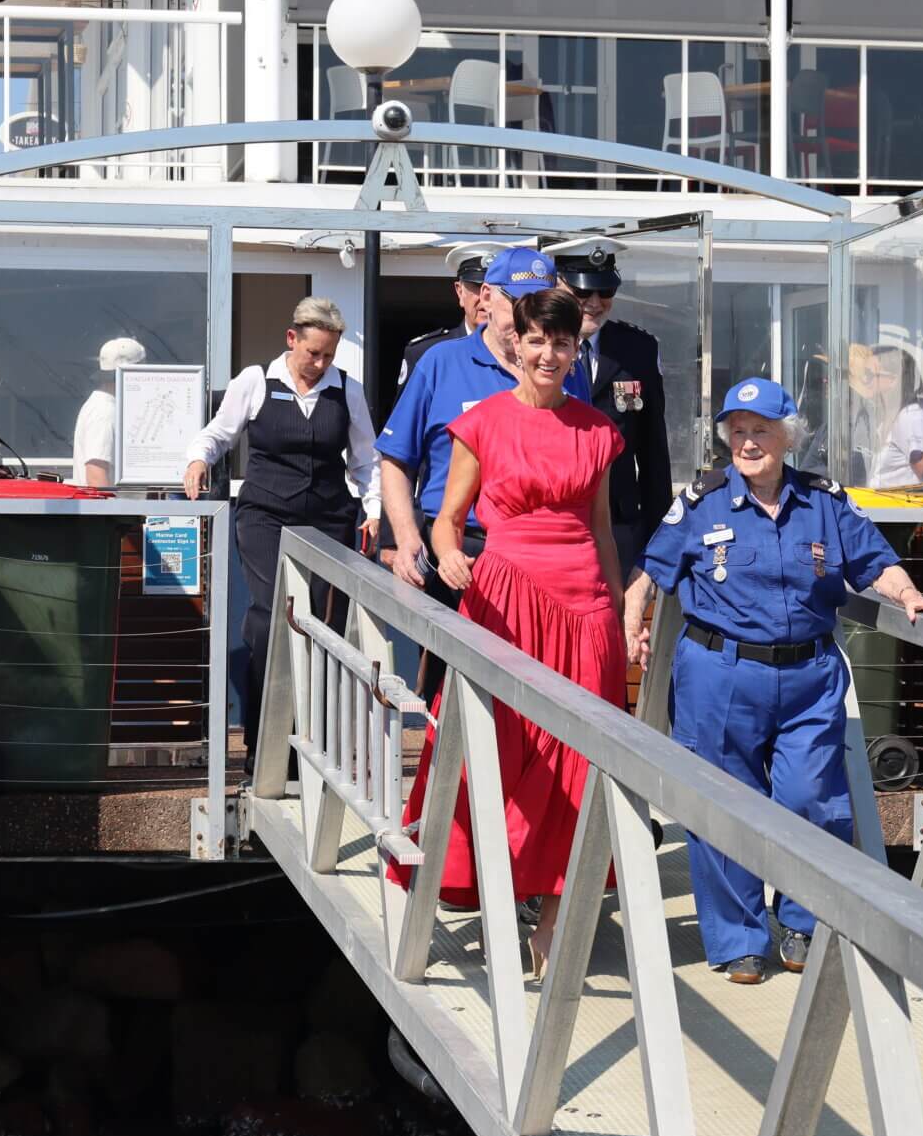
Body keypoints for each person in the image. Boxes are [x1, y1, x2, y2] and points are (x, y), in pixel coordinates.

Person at [625, 377, 923, 984]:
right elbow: (653, 570)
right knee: (723, 806)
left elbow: (874, 561)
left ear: (788, 437)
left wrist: (909, 593)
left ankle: (803, 921)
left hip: (808, 674)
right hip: (720, 675)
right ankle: (739, 940)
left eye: (761, 432)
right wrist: (634, 618)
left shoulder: (824, 502)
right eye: (738, 433)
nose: (748, 444)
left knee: (813, 801)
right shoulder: (701, 503)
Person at [387, 288, 628, 980]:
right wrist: (451, 552)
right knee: (493, 756)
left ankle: (553, 919)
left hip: (585, 612)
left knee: (581, 768)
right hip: (504, 603)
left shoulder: (598, 430)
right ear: (515, 343)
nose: (550, 354)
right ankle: (496, 895)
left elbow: (604, 529)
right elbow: (448, 517)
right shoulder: (483, 422)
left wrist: (614, 609)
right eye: (538, 341)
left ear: (574, 350)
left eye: (563, 344)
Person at [378, 246, 586, 702]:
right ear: (485, 297)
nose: (528, 313)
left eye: (540, 299)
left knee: (538, 697)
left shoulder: (568, 369)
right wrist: (406, 537)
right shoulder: (441, 362)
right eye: (517, 301)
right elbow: (395, 458)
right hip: (461, 554)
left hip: (542, 558)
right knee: (452, 698)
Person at [183, 298, 380, 763]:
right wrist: (196, 460)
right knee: (276, 615)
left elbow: (367, 460)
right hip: (265, 515)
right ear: (292, 339)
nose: (320, 363)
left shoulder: (347, 391)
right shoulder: (255, 381)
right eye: (313, 352)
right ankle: (263, 747)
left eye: (328, 355)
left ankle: (315, 749)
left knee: (324, 626)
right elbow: (217, 434)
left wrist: (373, 510)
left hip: (330, 519)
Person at [553, 239, 671, 575]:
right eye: (582, 291)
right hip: (553, 517)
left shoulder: (638, 348)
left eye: (604, 291)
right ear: (557, 284)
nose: (594, 303)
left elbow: (653, 450)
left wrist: (659, 537)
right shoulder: (536, 347)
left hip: (620, 521)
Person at [395, 243, 498, 390]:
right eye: (477, 287)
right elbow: (407, 412)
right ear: (460, 292)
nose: (485, 297)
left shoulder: (523, 353)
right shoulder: (425, 352)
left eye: (494, 289)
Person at [866, 345, 923, 488]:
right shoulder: (894, 418)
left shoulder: (911, 418)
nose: (865, 380)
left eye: (869, 374)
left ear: (893, 379)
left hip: (903, 509)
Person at [73, 337, 145, 486]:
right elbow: (96, 476)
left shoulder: (106, 406)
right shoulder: (105, 412)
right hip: (113, 509)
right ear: (128, 374)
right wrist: (116, 509)